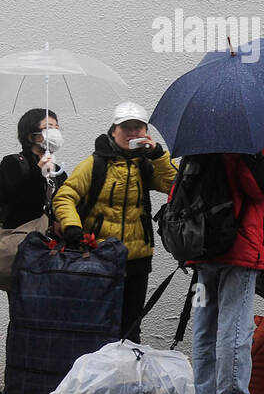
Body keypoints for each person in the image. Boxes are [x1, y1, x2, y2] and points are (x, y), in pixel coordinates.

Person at [52, 102, 178, 342]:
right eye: (125, 127)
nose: (132, 132)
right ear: (113, 131)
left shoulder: (146, 164)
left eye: (138, 127)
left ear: (145, 132)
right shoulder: (95, 163)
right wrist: (73, 228)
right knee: (99, 322)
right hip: (99, 256)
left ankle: (127, 375)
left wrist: (159, 154)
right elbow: (65, 196)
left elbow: (177, 187)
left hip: (138, 258)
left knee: (131, 328)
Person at [189, 148, 264, 394]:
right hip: (238, 247)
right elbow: (261, 187)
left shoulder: (198, 145)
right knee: (236, 326)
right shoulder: (247, 142)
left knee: (206, 326)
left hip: (204, 248)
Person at [1, 109, 67, 232]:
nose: (55, 132)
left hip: (50, 242)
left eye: (57, 128)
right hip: (21, 238)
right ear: (31, 135)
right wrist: (38, 171)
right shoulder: (13, 162)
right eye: (49, 127)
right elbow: (15, 201)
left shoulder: (58, 171)